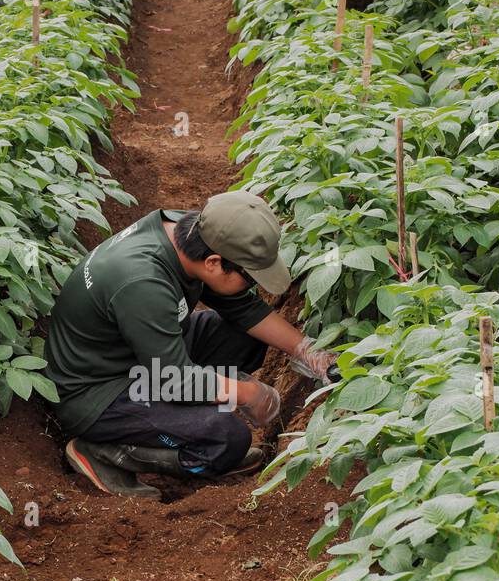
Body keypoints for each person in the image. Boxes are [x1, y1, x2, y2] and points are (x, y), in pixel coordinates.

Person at [43, 190, 336, 499]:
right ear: (213, 263)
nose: (253, 286)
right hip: (97, 393)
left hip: (139, 353)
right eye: (250, 278)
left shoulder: (189, 230)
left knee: (243, 338)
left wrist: (309, 351)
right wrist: (250, 393)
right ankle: (105, 453)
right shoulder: (143, 283)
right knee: (227, 440)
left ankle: (195, 407)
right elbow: (175, 380)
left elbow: (242, 308)